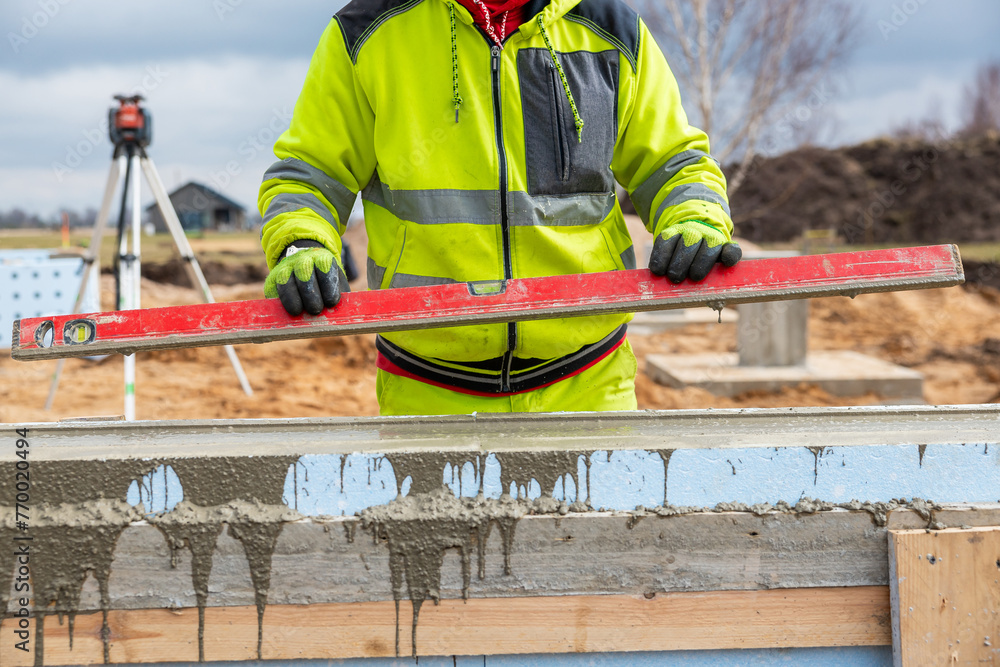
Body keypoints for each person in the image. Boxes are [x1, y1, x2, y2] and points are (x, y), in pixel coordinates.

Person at [259, 0, 741, 416]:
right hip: (427, 391)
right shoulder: (368, 31)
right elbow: (312, 172)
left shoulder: (610, 28)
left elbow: (675, 162)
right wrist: (300, 240)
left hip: (588, 383)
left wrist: (695, 213)